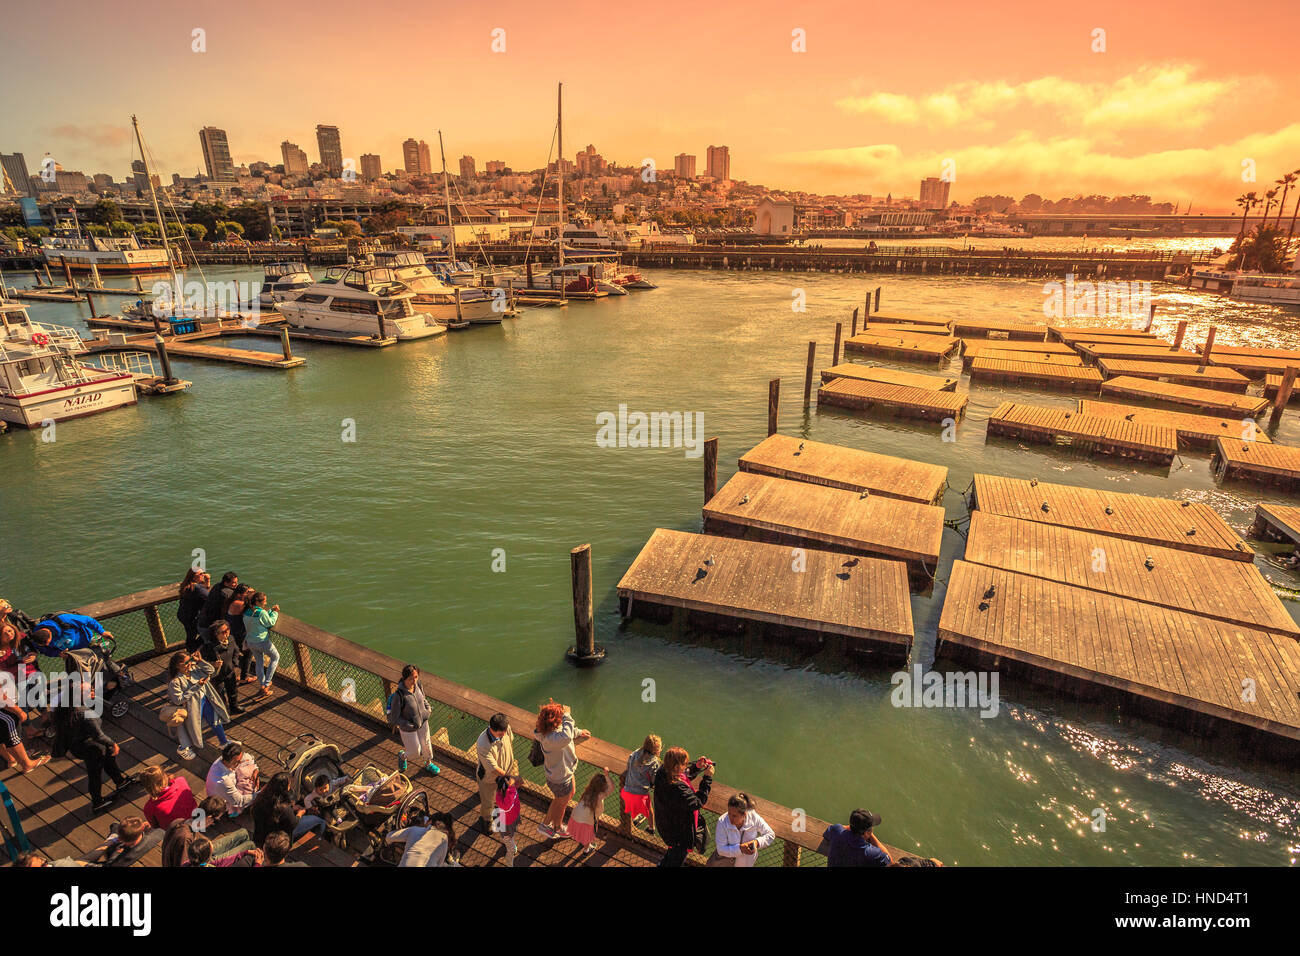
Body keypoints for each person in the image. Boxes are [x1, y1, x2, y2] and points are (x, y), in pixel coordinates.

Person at [51, 680, 134, 812]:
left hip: (77, 746)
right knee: (95, 774)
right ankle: (97, 802)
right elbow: (99, 736)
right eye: (90, 691)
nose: (93, 692)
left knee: (108, 760)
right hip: (91, 748)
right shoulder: (85, 713)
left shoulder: (65, 708)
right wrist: (113, 744)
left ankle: (120, 782)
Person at [166, 650, 234, 760]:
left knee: (215, 720)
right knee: (189, 729)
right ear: (178, 666)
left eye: (191, 661)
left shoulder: (194, 669)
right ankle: (183, 748)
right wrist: (197, 686)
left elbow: (211, 671)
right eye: (187, 663)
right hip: (190, 708)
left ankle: (224, 742)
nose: (190, 664)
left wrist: (200, 661)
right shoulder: (175, 682)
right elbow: (178, 700)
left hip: (204, 700)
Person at [536, 700, 590, 838]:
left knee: (565, 797)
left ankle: (545, 825)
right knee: (562, 803)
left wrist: (578, 732)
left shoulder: (549, 732)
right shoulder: (550, 738)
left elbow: (565, 733)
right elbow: (565, 737)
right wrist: (567, 715)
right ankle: (557, 827)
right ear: (555, 721)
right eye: (560, 718)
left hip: (560, 773)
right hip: (560, 778)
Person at [652, 746, 714, 867]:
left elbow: (684, 775)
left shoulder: (662, 773)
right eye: (685, 764)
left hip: (667, 826)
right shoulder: (678, 788)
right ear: (676, 767)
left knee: (672, 853)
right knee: (677, 859)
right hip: (679, 835)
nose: (686, 766)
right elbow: (698, 802)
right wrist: (707, 778)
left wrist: (696, 767)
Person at [387, 664, 440, 776]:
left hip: (423, 722)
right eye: (411, 678)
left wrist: (428, 709)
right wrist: (409, 725)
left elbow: (423, 699)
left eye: (416, 677)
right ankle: (402, 756)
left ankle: (428, 763)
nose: (414, 681)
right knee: (414, 752)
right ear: (405, 678)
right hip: (408, 728)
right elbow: (394, 718)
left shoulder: (418, 685)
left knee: (426, 744)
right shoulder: (399, 695)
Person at [475, 712, 518, 829]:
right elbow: (493, 769)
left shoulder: (505, 728)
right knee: (488, 802)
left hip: (504, 774)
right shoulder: (483, 744)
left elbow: (510, 740)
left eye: (505, 731)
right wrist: (510, 777)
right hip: (489, 778)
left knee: (499, 796)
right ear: (493, 729)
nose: (504, 734)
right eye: (501, 733)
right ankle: (486, 819)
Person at [712, 792, 775, 868]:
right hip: (725, 864)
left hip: (747, 864)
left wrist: (756, 843)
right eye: (729, 813)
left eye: (734, 816)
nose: (730, 818)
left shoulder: (753, 817)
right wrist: (740, 849)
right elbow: (721, 849)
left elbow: (770, 834)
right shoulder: (722, 821)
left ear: (744, 814)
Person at [198, 620, 244, 716]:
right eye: (223, 632)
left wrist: (235, 664)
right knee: (220, 694)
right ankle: (224, 712)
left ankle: (234, 707)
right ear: (216, 634)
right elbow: (200, 662)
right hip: (216, 676)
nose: (227, 633)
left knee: (233, 690)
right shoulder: (209, 646)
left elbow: (236, 650)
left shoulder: (231, 639)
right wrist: (213, 664)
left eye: (228, 629)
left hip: (229, 671)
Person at [568, 768, 616, 858]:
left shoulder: (587, 791)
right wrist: (606, 775)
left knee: (583, 828)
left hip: (575, 817)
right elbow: (612, 787)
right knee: (590, 833)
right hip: (587, 821)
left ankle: (582, 841)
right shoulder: (600, 795)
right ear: (603, 787)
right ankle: (587, 849)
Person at [620, 734, 661, 834]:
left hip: (627, 790)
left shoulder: (636, 753)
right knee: (649, 811)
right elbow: (654, 779)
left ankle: (630, 822)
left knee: (631, 806)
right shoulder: (654, 761)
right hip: (641, 794)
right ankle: (651, 828)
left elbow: (629, 764)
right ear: (656, 750)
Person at [242, 591, 280, 700]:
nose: (266, 602)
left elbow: (260, 618)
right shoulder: (261, 612)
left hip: (250, 641)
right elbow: (270, 623)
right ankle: (267, 684)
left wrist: (270, 610)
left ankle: (262, 684)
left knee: (259, 661)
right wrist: (275, 613)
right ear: (258, 601)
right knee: (275, 657)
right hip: (262, 641)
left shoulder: (247, 610)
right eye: (264, 601)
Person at [82, 816, 163, 867]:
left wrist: (111, 841)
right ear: (142, 828)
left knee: (114, 829)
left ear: (120, 839)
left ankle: (114, 833)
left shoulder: (117, 860)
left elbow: (81, 863)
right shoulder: (161, 832)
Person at [823, 808, 893, 867]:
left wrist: (855, 827)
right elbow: (889, 861)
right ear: (866, 833)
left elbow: (827, 834)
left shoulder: (836, 831)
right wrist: (871, 835)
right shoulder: (871, 853)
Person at [384, 811, 451, 867]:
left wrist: (388, 844)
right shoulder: (444, 840)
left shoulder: (414, 830)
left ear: (430, 821)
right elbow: (439, 864)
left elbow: (389, 837)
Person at [140, 765, 198, 829]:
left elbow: (155, 826)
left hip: (177, 830)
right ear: (164, 775)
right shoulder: (181, 780)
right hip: (195, 816)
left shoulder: (150, 807)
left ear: (147, 787)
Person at [205, 742, 255, 816]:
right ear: (226, 761)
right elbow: (239, 801)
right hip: (222, 804)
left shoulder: (222, 759)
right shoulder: (224, 780)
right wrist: (259, 794)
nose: (239, 763)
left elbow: (245, 758)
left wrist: (255, 770)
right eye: (237, 762)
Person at [177, 568, 211, 651]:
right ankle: (194, 650)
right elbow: (209, 598)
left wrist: (207, 580)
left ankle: (190, 650)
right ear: (194, 577)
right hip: (192, 617)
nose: (203, 575)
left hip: (183, 615)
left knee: (190, 634)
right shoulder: (197, 588)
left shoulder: (186, 585)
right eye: (200, 574)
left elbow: (204, 591)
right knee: (207, 633)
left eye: (203, 573)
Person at [492, 774, 522, 866]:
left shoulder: (503, 795)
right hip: (509, 820)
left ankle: (510, 848)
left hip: (508, 820)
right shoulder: (511, 792)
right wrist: (511, 786)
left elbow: (520, 781)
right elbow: (507, 805)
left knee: (509, 837)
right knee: (510, 839)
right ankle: (510, 852)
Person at [184, 833, 260, 867]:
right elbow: (223, 862)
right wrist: (257, 864)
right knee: (249, 844)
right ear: (208, 858)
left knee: (244, 833)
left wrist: (244, 853)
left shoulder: (187, 863)